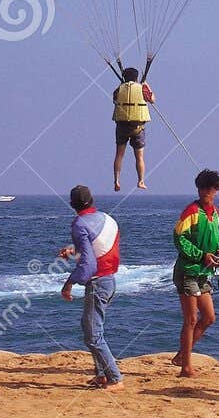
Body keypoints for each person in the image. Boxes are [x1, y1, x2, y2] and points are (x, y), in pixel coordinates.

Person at [58, 184, 123, 389]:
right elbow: (96, 253)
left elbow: (89, 265)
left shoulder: (79, 224)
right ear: (92, 200)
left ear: (72, 205)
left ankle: (115, 378)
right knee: (92, 329)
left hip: (97, 283)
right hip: (109, 280)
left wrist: (68, 284)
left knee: (93, 335)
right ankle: (101, 375)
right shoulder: (108, 219)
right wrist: (73, 253)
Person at [171, 168, 219, 375]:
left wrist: (217, 253)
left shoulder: (215, 214)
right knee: (191, 319)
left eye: (209, 189)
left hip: (204, 272)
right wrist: (201, 255)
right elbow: (178, 238)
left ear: (216, 190)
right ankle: (185, 367)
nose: (205, 192)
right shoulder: (191, 211)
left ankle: (182, 354)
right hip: (188, 271)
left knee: (209, 317)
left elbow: (213, 239)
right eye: (202, 188)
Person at [111, 67, 154, 191]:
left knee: (119, 154)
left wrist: (122, 85)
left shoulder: (119, 89)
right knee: (139, 156)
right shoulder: (142, 88)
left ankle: (117, 180)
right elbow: (152, 100)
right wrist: (146, 84)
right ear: (136, 78)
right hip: (138, 127)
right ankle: (141, 181)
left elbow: (115, 100)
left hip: (122, 126)